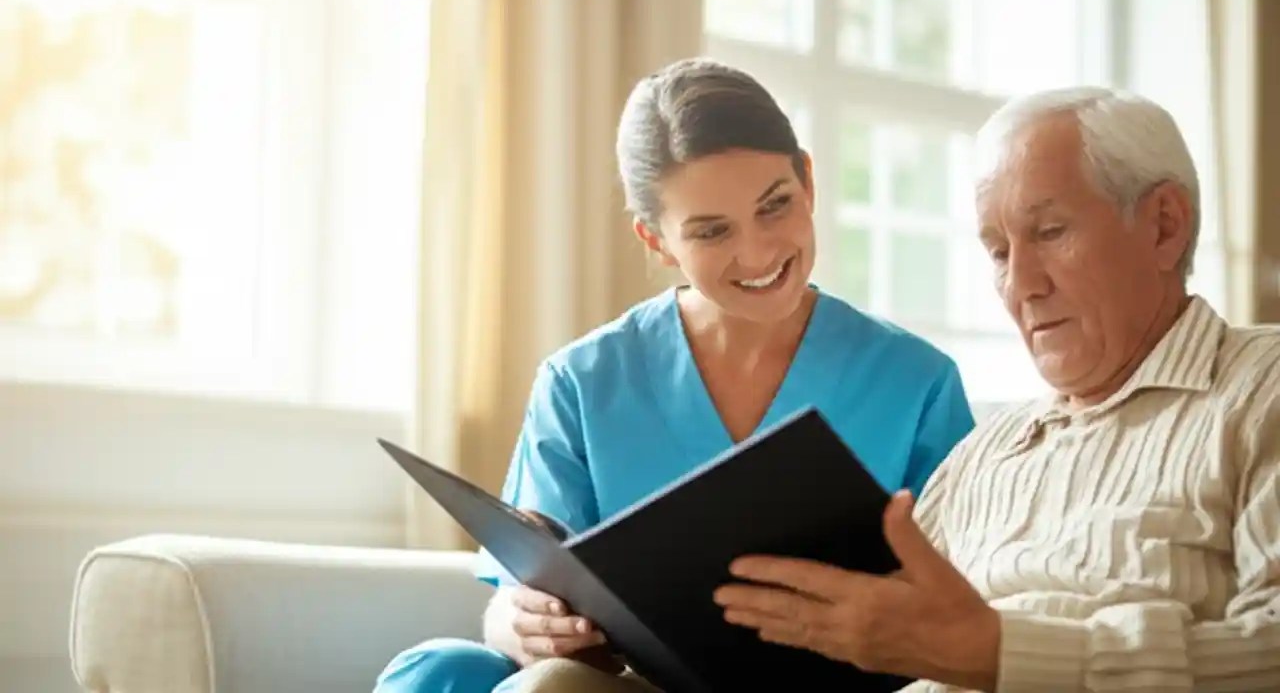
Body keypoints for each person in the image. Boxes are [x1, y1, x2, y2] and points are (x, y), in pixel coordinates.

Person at [371, 57, 976, 693]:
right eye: (712, 231)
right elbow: (516, 593)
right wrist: (521, 623)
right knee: (444, 672)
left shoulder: (918, 384)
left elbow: (973, 603)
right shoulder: (583, 382)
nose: (759, 252)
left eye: (775, 206)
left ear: (809, 181)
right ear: (657, 241)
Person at [707, 88, 1280, 692]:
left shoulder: (1260, 388)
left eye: (1051, 231)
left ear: (1165, 226)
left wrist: (1000, 654)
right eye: (1000, 252)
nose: (1022, 285)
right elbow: (858, 646)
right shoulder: (985, 454)